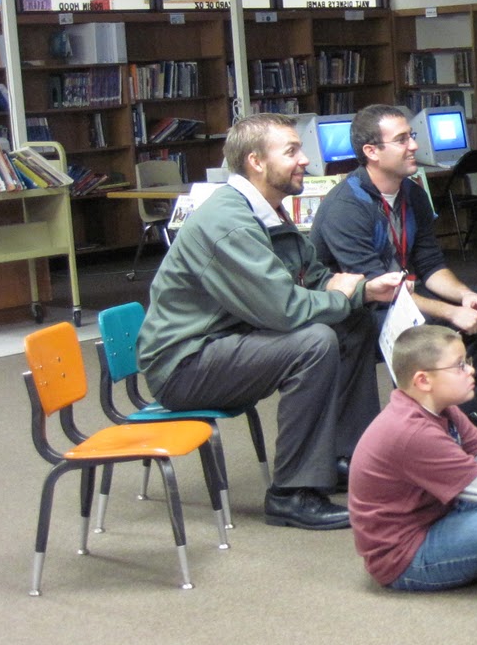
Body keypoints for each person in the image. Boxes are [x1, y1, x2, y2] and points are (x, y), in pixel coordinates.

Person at [138, 113, 401, 531]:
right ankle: (291, 493)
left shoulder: (265, 209)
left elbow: (310, 276)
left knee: (352, 324)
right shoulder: (229, 222)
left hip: (228, 338)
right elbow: (283, 309)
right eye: (291, 151)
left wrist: (361, 290)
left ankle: (336, 457)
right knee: (313, 342)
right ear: (256, 162)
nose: (304, 160)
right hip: (184, 363)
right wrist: (347, 293)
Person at [311, 104, 477, 422]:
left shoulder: (412, 194)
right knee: (420, 330)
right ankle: (418, 423)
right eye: (402, 139)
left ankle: (470, 414)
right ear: (372, 151)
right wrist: (449, 311)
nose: (414, 145)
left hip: (400, 295)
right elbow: (380, 290)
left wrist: (464, 297)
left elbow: (431, 264)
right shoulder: (345, 208)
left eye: (411, 136)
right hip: (359, 310)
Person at [348, 324, 477, 591]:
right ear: (423, 380)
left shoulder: (444, 410)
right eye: (459, 366)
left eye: (466, 362)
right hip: (405, 558)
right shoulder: (413, 433)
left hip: (438, 514)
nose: (471, 370)